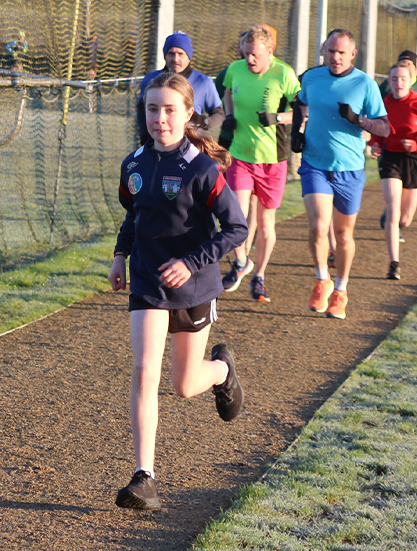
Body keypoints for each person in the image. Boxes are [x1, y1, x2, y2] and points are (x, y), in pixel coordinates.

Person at [109, 72, 248, 510]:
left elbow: (237, 228)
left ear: (188, 113)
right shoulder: (133, 163)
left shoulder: (204, 169)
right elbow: (135, 214)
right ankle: (144, 476)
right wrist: (120, 254)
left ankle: (223, 371)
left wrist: (189, 264)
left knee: (185, 385)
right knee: (144, 370)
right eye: (152, 109)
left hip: (194, 286)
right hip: (148, 281)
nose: (160, 118)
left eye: (170, 109)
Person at [291, 29, 390, 320]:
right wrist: (298, 132)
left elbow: (384, 127)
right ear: (324, 51)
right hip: (314, 164)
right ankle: (322, 280)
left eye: (341, 53)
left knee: (344, 234)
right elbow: (301, 102)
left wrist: (358, 120)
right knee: (319, 226)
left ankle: (341, 290)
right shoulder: (312, 78)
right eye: (330, 51)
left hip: (349, 168)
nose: (335, 57)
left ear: (352, 55)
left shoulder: (365, 84)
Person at [218, 25, 301, 303]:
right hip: (240, 156)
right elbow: (228, 92)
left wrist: (278, 118)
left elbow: (302, 111)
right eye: (246, 54)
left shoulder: (284, 74)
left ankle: (260, 275)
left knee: (266, 223)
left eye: (255, 55)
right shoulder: (236, 69)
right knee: (235, 216)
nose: (249, 60)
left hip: (272, 159)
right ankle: (241, 261)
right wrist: (229, 114)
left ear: (269, 52)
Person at [371, 60, 417, 280]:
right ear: (389, 82)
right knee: (394, 211)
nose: (398, 83)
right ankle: (394, 264)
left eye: (403, 79)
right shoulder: (383, 103)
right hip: (391, 157)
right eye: (394, 79)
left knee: (406, 217)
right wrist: (375, 144)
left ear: (411, 81)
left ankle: (398, 221)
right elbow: (377, 128)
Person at [136, 31, 225, 145]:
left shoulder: (203, 82)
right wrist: (145, 137)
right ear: (165, 55)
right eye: (171, 53)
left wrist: (204, 121)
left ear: (189, 57)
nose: (175, 59)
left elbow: (219, 114)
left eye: (180, 53)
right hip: (156, 145)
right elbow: (141, 109)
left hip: (191, 146)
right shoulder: (151, 80)